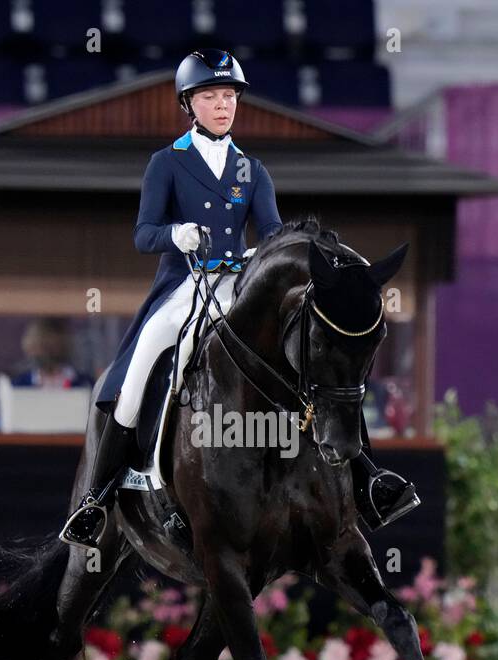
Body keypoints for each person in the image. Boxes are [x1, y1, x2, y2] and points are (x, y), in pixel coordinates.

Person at [58, 49, 418, 549]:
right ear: (190, 104)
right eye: (211, 97)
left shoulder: (252, 169)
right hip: (184, 284)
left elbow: (271, 234)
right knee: (138, 371)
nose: (223, 105)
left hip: (239, 286)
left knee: (309, 361)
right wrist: (175, 234)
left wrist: (260, 252)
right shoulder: (167, 163)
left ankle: (370, 478)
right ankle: (98, 498)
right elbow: (143, 234)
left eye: (228, 96)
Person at [9, 318, 95, 389]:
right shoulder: (19, 385)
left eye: (50, 346)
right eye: (39, 346)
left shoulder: (84, 384)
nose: (45, 353)